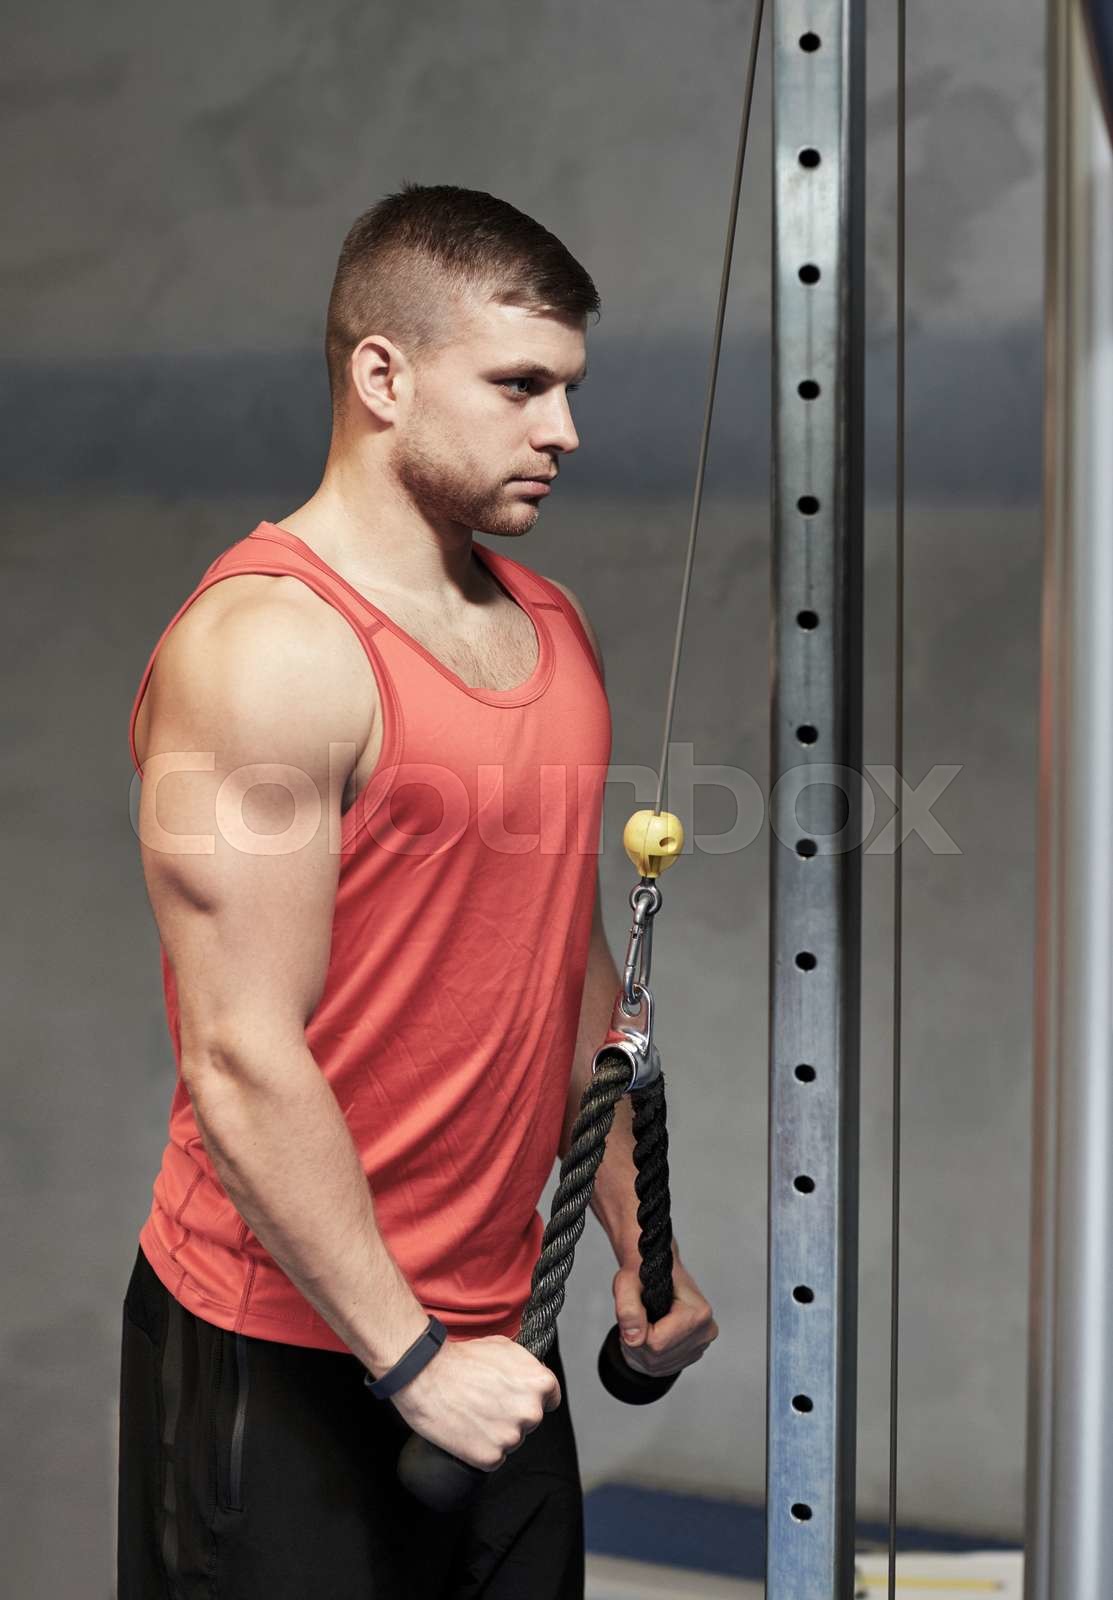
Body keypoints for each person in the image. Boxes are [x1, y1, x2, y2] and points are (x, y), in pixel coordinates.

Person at [118, 182, 719, 1599]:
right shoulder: (267, 653)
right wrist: (410, 1359)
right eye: (519, 386)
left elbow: (559, 972)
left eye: (568, 388)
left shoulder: (547, 631)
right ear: (381, 376)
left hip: (496, 1334)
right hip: (288, 1347)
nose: (561, 430)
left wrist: (642, 1246)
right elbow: (239, 1052)